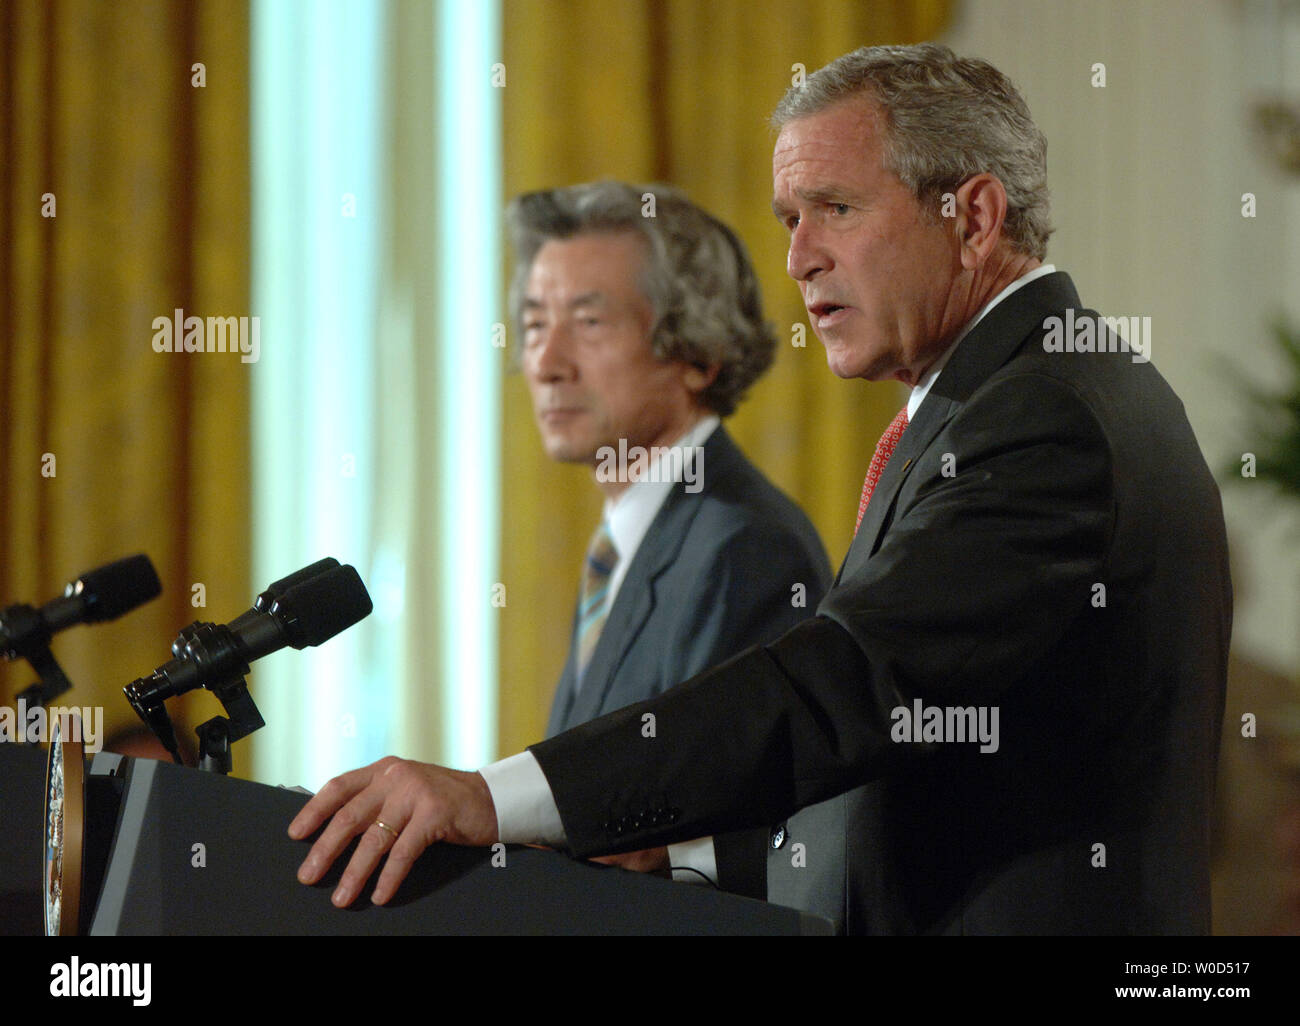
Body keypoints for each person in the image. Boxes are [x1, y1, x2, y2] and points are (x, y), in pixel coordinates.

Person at [289, 43, 1231, 935]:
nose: (799, 259)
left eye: (838, 210)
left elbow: (846, 687)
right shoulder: (1010, 396)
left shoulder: (1044, 418)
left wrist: (490, 797)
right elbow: (907, 759)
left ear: (974, 218)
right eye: (791, 220)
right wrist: (687, 848)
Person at [506, 181, 839, 908]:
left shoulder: (741, 548)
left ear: (698, 351)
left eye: (588, 323)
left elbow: (732, 842)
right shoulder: (624, 544)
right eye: (533, 325)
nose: (546, 361)